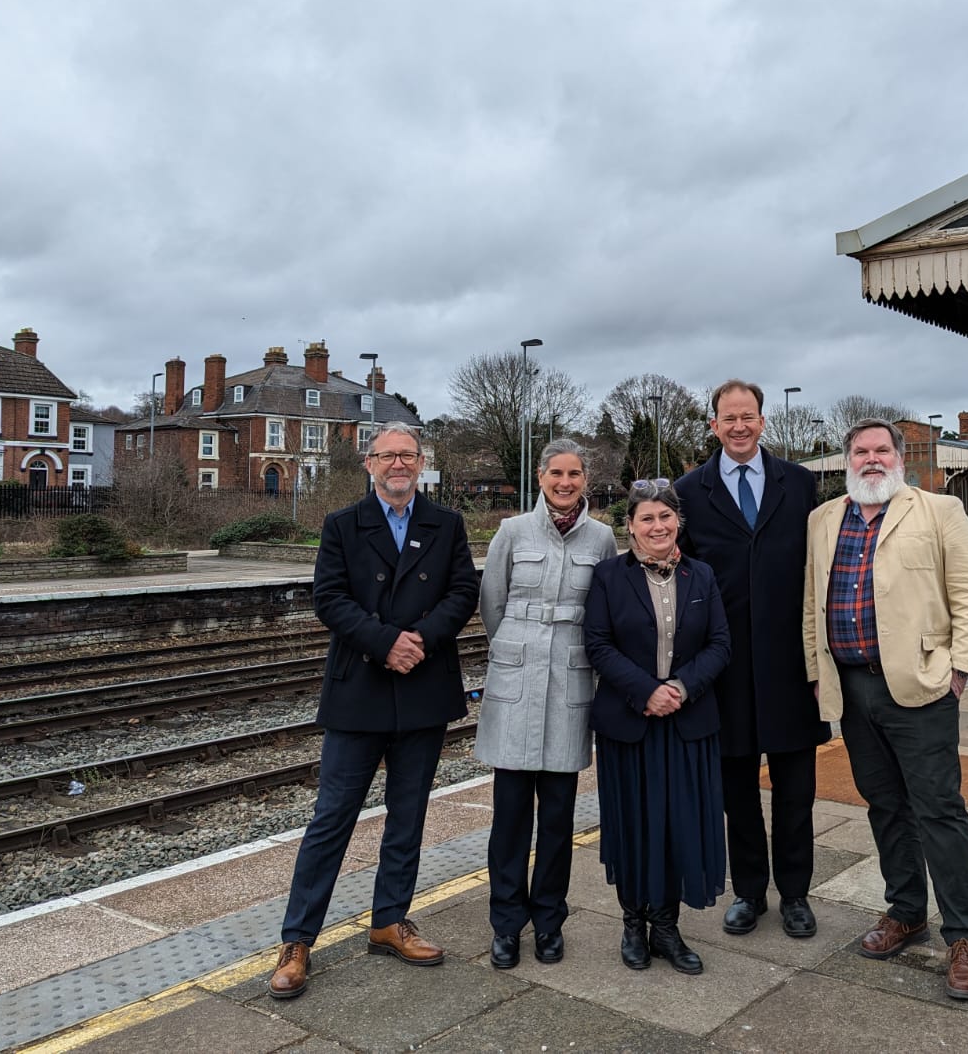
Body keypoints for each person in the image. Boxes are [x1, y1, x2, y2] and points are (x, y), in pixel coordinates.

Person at [268, 423, 480, 999]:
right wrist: (385, 642)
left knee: (408, 815)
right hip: (359, 688)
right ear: (369, 464)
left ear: (421, 462)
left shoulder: (448, 524)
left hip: (424, 686)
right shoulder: (341, 525)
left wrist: (421, 640)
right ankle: (297, 941)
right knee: (331, 818)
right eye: (387, 456)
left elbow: (463, 592)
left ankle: (389, 920)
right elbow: (329, 597)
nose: (398, 465)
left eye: (407, 455)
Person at [802, 418, 968, 1000]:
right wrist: (816, 673)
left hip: (920, 689)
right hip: (853, 691)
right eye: (860, 451)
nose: (870, 459)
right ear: (846, 460)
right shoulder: (823, 520)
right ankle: (906, 910)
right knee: (884, 805)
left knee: (938, 810)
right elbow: (813, 602)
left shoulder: (939, 512)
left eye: (881, 449)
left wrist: (959, 672)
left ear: (899, 457)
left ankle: (965, 937)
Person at [676, 379, 828, 940]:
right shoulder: (690, 491)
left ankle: (795, 895)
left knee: (797, 790)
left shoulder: (800, 483)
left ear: (764, 421)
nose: (739, 426)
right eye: (728, 418)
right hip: (725, 667)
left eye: (749, 416)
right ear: (713, 425)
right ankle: (748, 892)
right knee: (734, 791)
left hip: (792, 664)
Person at [476, 439, 617, 970]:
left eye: (574, 474)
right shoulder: (513, 532)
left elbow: (604, 606)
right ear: (540, 476)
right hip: (516, 680)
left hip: (570, 684)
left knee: (558, 820)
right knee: (509, 820)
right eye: (556, 473)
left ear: (585, 478)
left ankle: (550, 922)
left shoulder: (602, 538)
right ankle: (506, 925)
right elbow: (492, 601)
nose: (565, 482)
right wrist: (518, 645)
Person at [584, 478, 732, 975]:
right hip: (630, 722)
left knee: (677, 823)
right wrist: (645, 689)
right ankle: (633, 923)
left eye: (666, 517)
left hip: (688, 722)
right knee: (633, 823)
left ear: (678, 523)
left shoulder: (701, 576)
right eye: (646, 518)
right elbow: (598, 644)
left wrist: (681, 688)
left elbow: (719, 644)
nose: (658, 526)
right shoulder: (608, 577)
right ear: (629, 526)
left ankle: (666, 927)